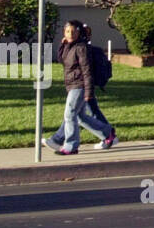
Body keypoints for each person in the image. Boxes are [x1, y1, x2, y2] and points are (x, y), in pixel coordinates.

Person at [43, 21, 114, 155]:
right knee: (80, 117)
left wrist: (88, 91)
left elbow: (87, 70)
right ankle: (107, 132)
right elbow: (61, 60)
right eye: (68, 31)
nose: (70, 34)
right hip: (72, 85)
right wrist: (62, 45)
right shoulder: (69, 46)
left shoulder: (81, 48)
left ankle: (71, 146)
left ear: (79, 32)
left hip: (79, 85)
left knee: (69, 114)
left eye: (74, 31)